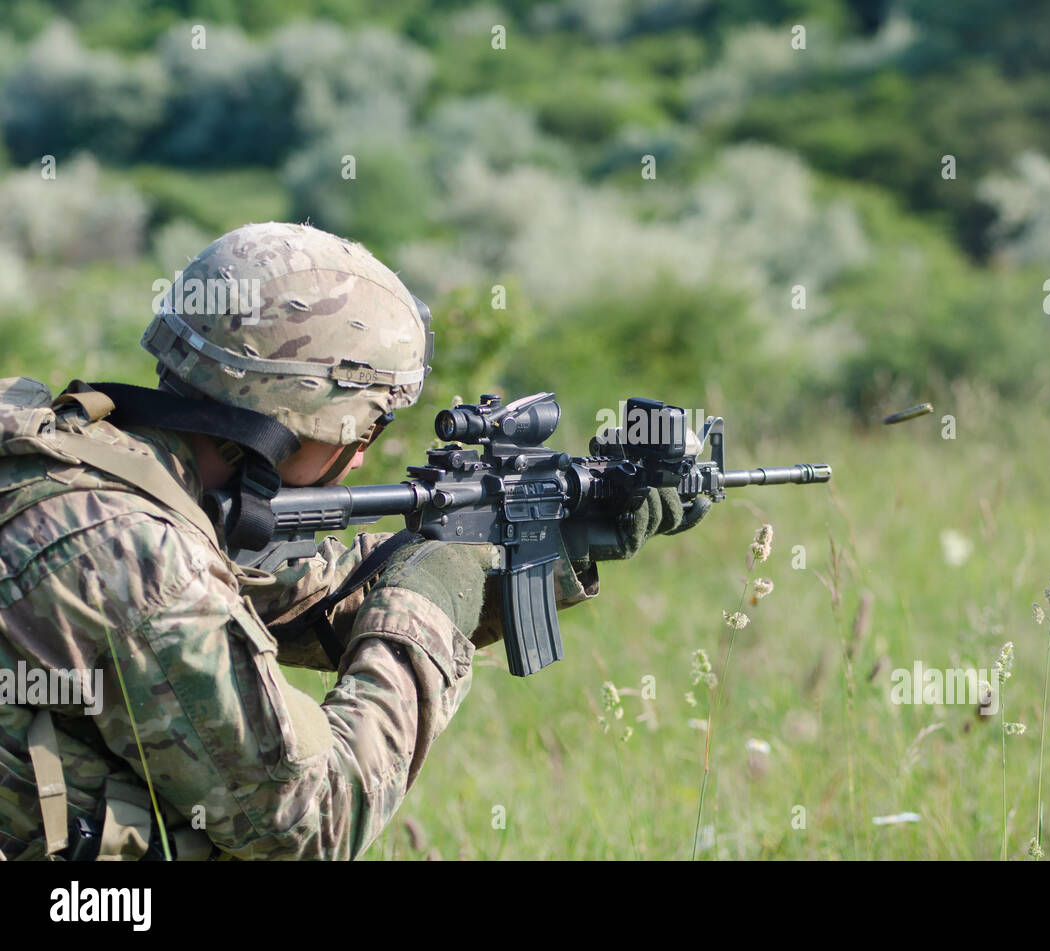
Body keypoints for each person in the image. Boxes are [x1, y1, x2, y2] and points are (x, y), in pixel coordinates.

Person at [0, 222, 707, 860]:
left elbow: (303, 598)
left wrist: (551, 549)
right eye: (368, 427)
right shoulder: (141, 561)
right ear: (299, 416)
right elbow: (311, 824)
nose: (363, 453)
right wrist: (427, 607)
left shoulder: (71, 459)